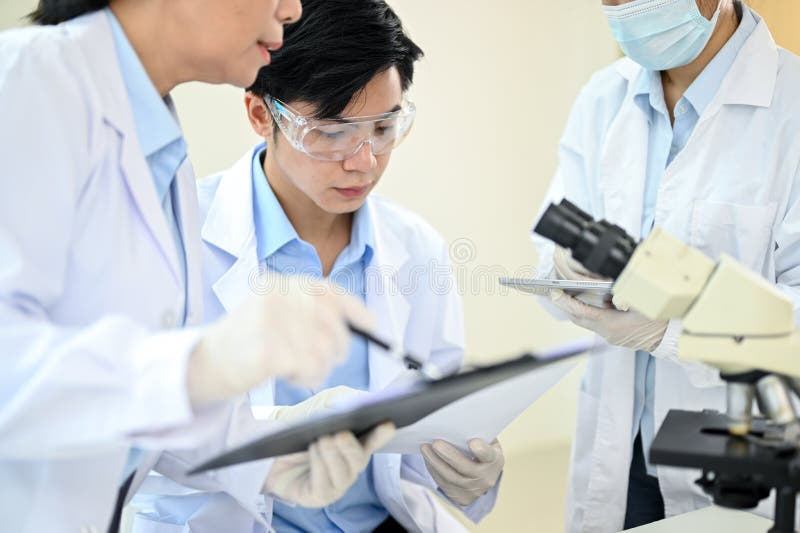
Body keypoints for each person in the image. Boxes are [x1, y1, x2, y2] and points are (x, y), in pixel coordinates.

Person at [0, 1, 391, 532]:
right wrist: (200, 365)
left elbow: (130, 408)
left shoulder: (156, 135)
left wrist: (265, 456)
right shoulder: (29, 80)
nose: (291, 8)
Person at [130, 1, 504, 531]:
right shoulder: (174, 233)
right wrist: (276, 437)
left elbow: (425, 427)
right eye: (331, 131)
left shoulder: (417, 247)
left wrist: (465, 467)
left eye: (383, 127)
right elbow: (137, 436)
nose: (363, 161)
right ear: (261, 115)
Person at [531, 0, 800, 531]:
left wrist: (672, 331)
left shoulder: (792, 106)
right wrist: (566, 268)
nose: (623, 10)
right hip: (620, 458)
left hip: (741, 460)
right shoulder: (603, 97)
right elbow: (549, 257)